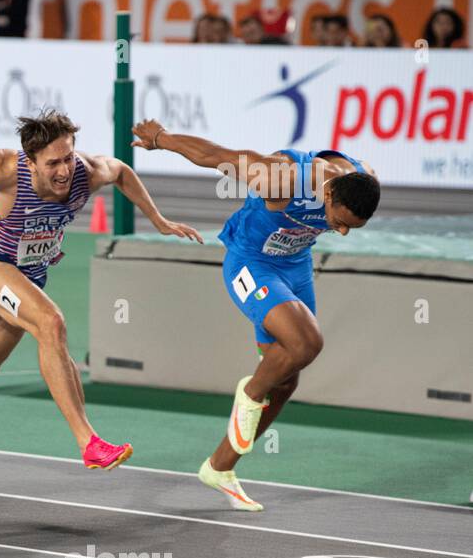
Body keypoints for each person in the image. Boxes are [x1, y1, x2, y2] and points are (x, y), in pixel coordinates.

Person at [0, 63, 200, 470]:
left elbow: (122, 172)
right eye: (53, 163)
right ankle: (89, 442)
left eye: (67, 158)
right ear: (30, 161)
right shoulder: (2, 170)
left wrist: (158, 220)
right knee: (51, 323)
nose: (64, 170)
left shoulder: (85, 172)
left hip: (26, 274)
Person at [131, 119, 379, 512]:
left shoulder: (361, 180)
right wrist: (161, 140)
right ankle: (249, 393)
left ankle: (220, 467)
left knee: (286, 382)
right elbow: (217, 156)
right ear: (328, 194)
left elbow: (353, 195)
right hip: (250, 263)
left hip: (294, 267)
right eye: (340, 223)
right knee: (306, 342)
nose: (342, 233)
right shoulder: (280, 179)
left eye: (352, 228)